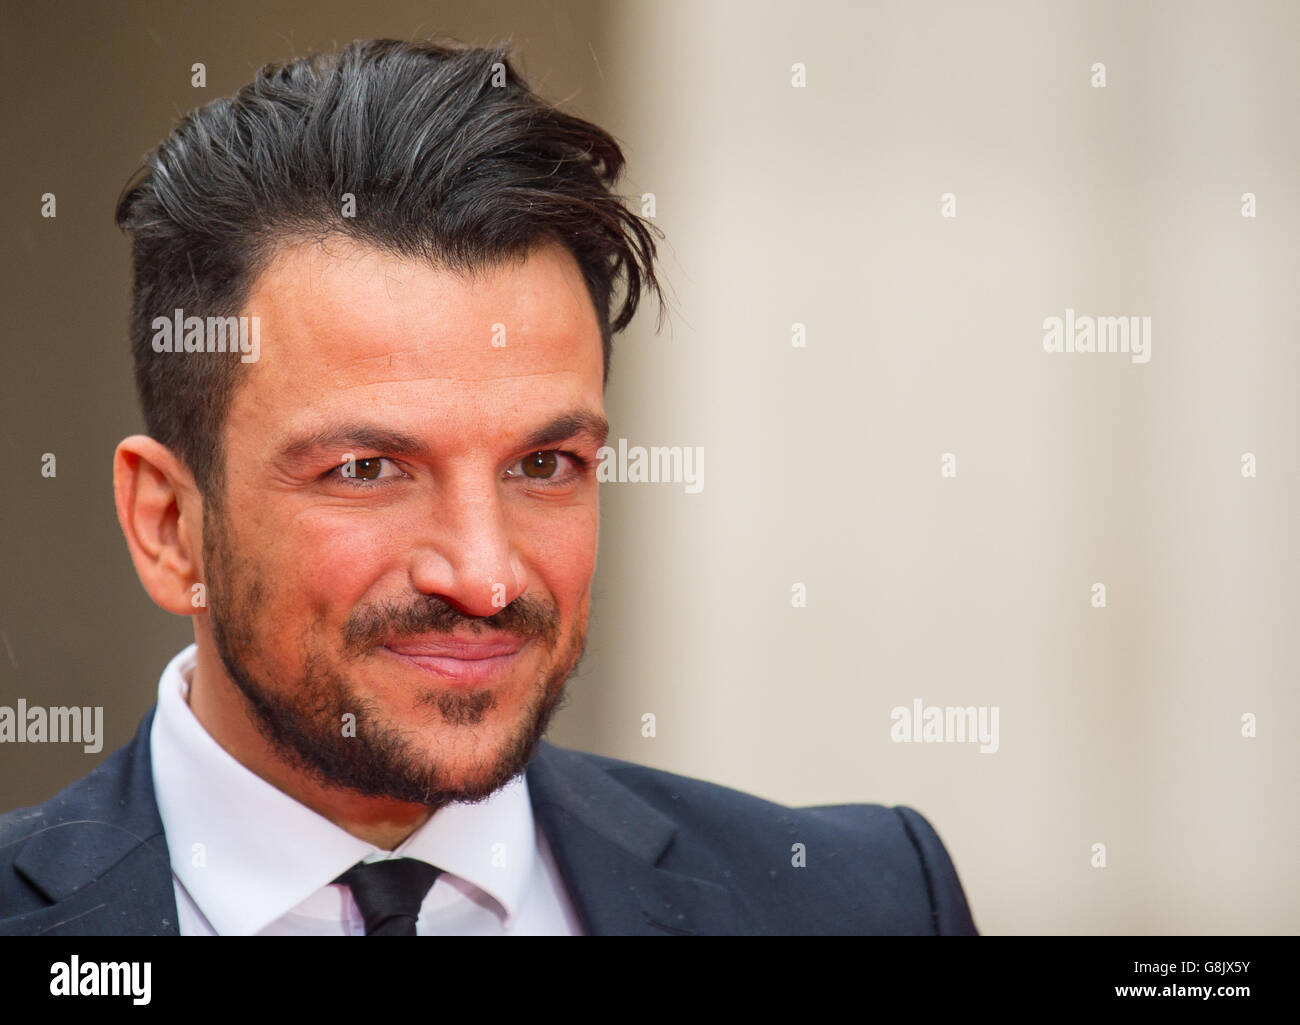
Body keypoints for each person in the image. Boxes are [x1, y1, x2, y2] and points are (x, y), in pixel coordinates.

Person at [0, 38, 977, 936]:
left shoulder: (859, 903)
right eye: (367, 469)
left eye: (542, 465)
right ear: (168, 525)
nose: (484, 573)